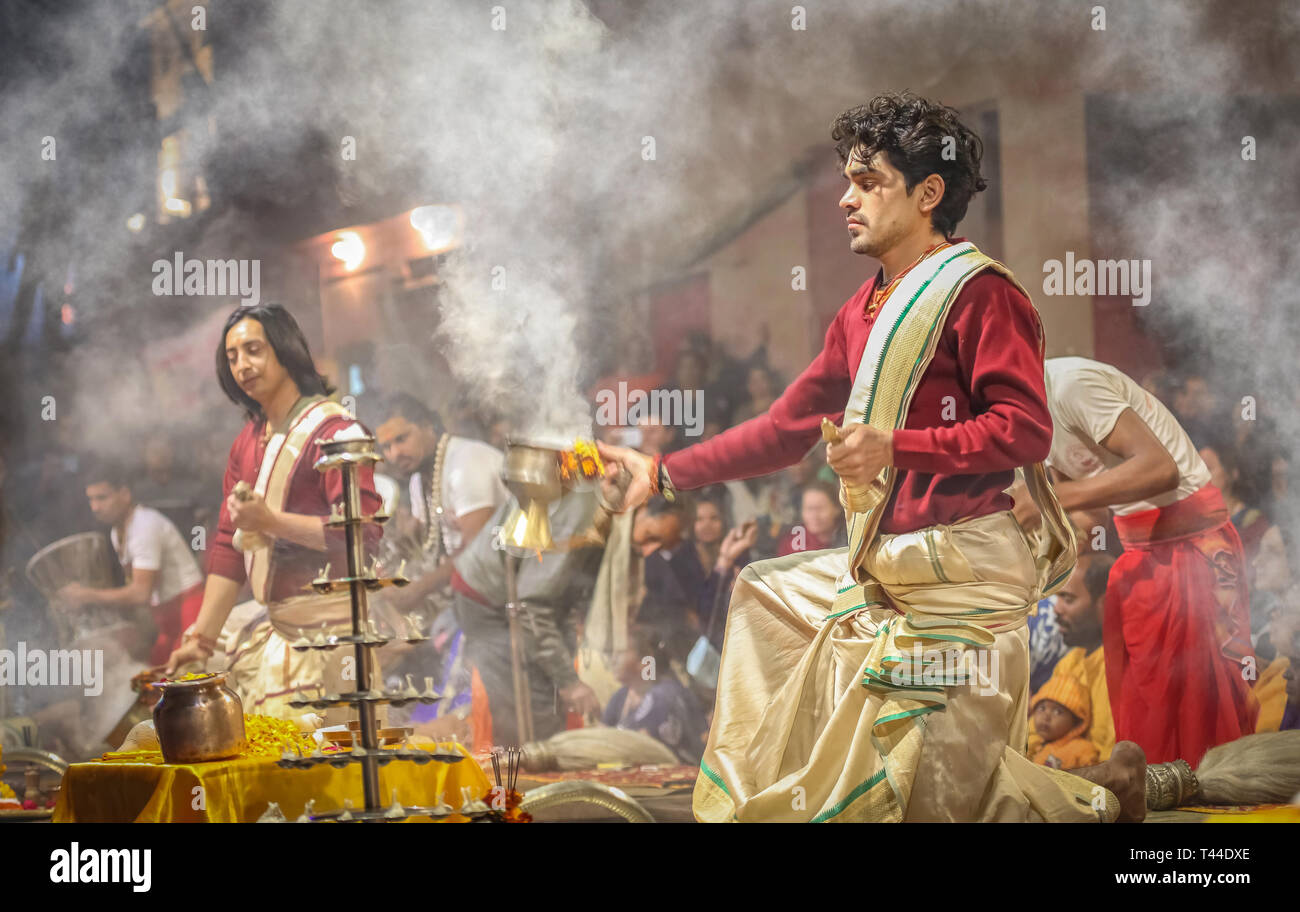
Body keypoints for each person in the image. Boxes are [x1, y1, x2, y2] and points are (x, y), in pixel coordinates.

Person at [599, 92, 1145, 823]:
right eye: (846, 181)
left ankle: (1105, 801)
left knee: (935, 802)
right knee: (765, 592)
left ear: (928, 193)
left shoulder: (978, 293)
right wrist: (661, 474)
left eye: (868, 181)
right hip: (884, 570)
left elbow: (1024, 430)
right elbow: (784, 430)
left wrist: (897, 446)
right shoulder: (858, 313)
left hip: (962, 577)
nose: (845, 200)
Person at [1019, 356, 1258, 765]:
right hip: (1138, 558)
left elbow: (1159, 468)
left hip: (1191, 546)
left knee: (1201, 714)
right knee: (1146, 708)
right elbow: (1090, 515)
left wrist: (1048, 500)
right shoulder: (1025, 424)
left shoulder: (1069, 384)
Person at [163, 304, 383, 722]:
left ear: (285, 350)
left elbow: (364, 537)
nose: (243, 365)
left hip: (328, 636)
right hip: (274, 627)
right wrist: (203, 639)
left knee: (326, 778)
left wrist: (271, 523)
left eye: (253, 350)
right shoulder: (246, 443)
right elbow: (230, 544)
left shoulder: (338, 433)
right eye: (232, 358)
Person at [371, 393, 508, 613]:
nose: (395, 453)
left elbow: (476, 548)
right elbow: (426, 543)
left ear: (428, 426)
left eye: (401, 439)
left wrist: (419, 589)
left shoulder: (466, 463)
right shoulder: (418, 479)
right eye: (386, 447)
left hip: (502, 595)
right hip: (468, 595)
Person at [58, 461, 204, 666]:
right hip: (167, 622)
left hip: (190, 615)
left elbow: (140, 592)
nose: (95, 507)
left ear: (124, 494)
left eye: (102, 497)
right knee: (149, 683)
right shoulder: (116, 533)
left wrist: (86, 595)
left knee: (175, 684)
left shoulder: (144, 525)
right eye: (90, 499)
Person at [1027, 553, 1116, 762]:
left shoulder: (1117, 670)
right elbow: (1034, 735)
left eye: (1068, 599)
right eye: (1058, 597)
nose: (1056, 609)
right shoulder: (1068, 664)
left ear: (1104, 603)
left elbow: (1115, 769)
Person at [602, 624, 709, 765]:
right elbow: (601, 740)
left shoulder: (666, 696)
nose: (613, 659)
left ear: (645, 660)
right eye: (613, 652)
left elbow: (650, 748)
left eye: (621, 652)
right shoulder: (620, 696)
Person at [1029, 676, 1099, 771]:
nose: (1046, 717)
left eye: (1057, 712)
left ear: (1076, 721)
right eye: (1042, 708)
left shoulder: (1082, 750)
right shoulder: (1035, 745)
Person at [776, 479, 847, 556]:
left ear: (837, 508)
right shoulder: (792, 544)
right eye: (809, 509)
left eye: (820, 508)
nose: (814, 516)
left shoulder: (851, 537)